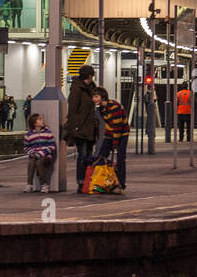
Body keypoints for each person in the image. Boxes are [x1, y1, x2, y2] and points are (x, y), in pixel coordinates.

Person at [62, 64, 99, 193]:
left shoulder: (92, 88)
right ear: (89, 75)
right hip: (80, 128)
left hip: (90, 128)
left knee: (89, 155)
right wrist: (74, 127)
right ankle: (81, 182)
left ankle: (88, 181)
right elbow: (72, 109)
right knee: (82, 155)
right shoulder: (77, 89)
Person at [94, 87, 129, 192]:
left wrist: (115, 143)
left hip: (122, 134)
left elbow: (118, 126)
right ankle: (102, 181)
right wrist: (107, 138)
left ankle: (121, 184)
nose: (94, 99)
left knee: (120, 158)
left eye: (96, 97)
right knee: (101, 155)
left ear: (103, 97)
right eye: (93, 97)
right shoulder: (101, 108)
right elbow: (109, 124)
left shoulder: (114, 107)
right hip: (111, 133)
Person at [23, 113, 56, 193]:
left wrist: (40, 154)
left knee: (39, 162)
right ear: (34, 123)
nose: (42, 120)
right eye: (39, 119)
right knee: (31, 162)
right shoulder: (28, 135)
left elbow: (52, 146)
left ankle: (44, 184)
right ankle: (29, 184)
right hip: (34, 156)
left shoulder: (48, 133)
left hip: (46, 157)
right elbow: (26, 147)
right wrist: (32, 153)